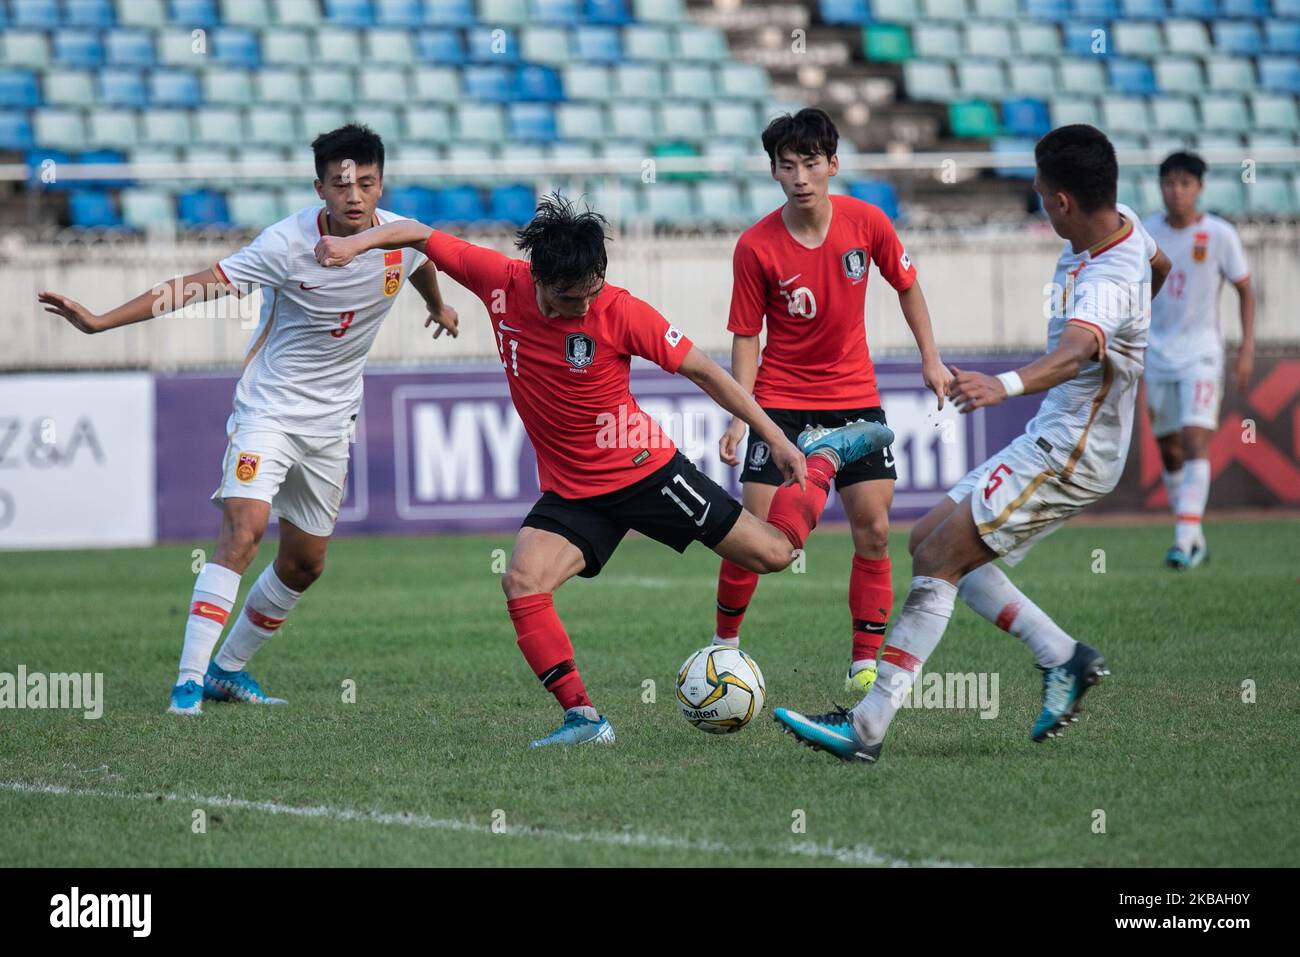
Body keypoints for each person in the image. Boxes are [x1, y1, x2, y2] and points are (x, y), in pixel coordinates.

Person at [315, 194, 894, 748]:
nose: (584, 306)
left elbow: (707, 373)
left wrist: (780, 442)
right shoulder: (497, 280)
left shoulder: (620, 310)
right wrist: (355, 246)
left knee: (775, 555)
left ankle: (823, 458)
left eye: (592, 291)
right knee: (522, 581)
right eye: (571, 298)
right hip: (574, 489)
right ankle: (583, 718)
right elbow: (418, 232)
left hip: (646, 472)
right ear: (537, 280)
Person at [773, 125, 1171, 761]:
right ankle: (1064, 657)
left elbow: (1075, 351)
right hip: (1056, 434)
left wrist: (1003, 384)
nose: (1041, 204)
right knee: (927, 537)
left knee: (938, 561)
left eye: (1042, 195)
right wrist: (1133, 337)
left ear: (1064, 202)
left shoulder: (1105, 281)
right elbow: (1161, 268)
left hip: (1073, 451)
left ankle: (866, 728)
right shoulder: (1123, 226)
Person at [39, 124, 461, 715]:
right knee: (244, 532)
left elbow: (417, 263)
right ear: (320, 188)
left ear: (380, 183)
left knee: (305, 564)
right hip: (270, 408)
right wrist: (102, 322)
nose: (355, 195)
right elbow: (194, 287)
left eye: (366, 182)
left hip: (332, 423)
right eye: (341, 184)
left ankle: (226, 671)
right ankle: (186, 685)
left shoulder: (401, 237)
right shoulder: (283, 244)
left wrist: (437, 304)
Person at [712, 108, 950, 697]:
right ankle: (723, 650)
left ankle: (864, 662)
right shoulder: (755, 247)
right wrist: (742, 419)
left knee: (872, 530)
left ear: (833, 165)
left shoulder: (868, 223)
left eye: (811, 163)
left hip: (854, 401)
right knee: (754, 533)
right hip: (780, 405)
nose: (800, 176)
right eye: (787, 165)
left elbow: (907, 284)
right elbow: (748, 335)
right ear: (772, 171)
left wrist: (931, 358)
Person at [1143, 151, 1254, 570]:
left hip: (1202, 352)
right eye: (1169, 183)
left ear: (1200, 188)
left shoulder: (1221, 235)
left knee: (1194, 440)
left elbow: (1245, 289)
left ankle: (1183, 542)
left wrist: (1245, 349)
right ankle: (1195, 537)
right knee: (1170, 451)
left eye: (1185, 183)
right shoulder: (1147, 232)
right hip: (1156, 353)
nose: (1177, 191)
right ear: (1161, 187)